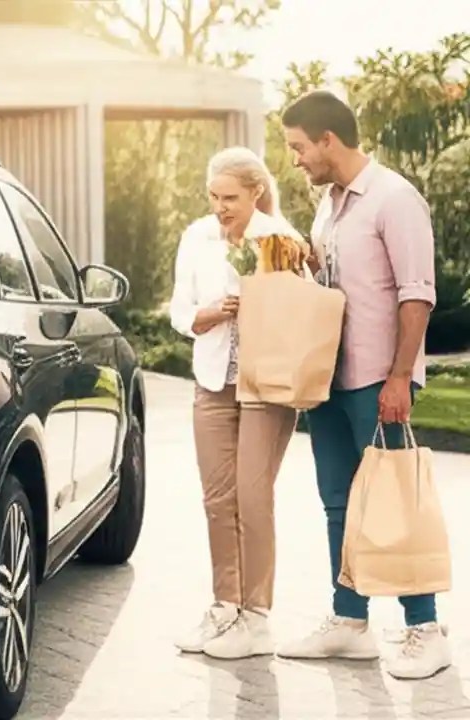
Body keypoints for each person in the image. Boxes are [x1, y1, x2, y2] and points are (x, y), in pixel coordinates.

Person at [276, 89, 451, 680]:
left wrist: (400, 376)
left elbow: (416, 293)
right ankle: (349, 622)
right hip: (329, 379)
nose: (296, 158)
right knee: (338, 504)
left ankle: (424, 628)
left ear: (329, 139)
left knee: (395, 501)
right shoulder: (328, 204)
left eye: (300, 147)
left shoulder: (395, 199)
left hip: (379, 380)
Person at [169, 146, 306, 660]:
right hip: (212, 380)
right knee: (216, 499)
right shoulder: (197, 237)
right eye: (214, 197)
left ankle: (258, 617)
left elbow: (303, 312)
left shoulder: (282, 240)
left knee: (252, 497)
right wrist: (203, 316)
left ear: (256, 193)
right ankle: (224, 608)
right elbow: (179, 309)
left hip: (266, 384)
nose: (221, 206)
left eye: (231, 197)